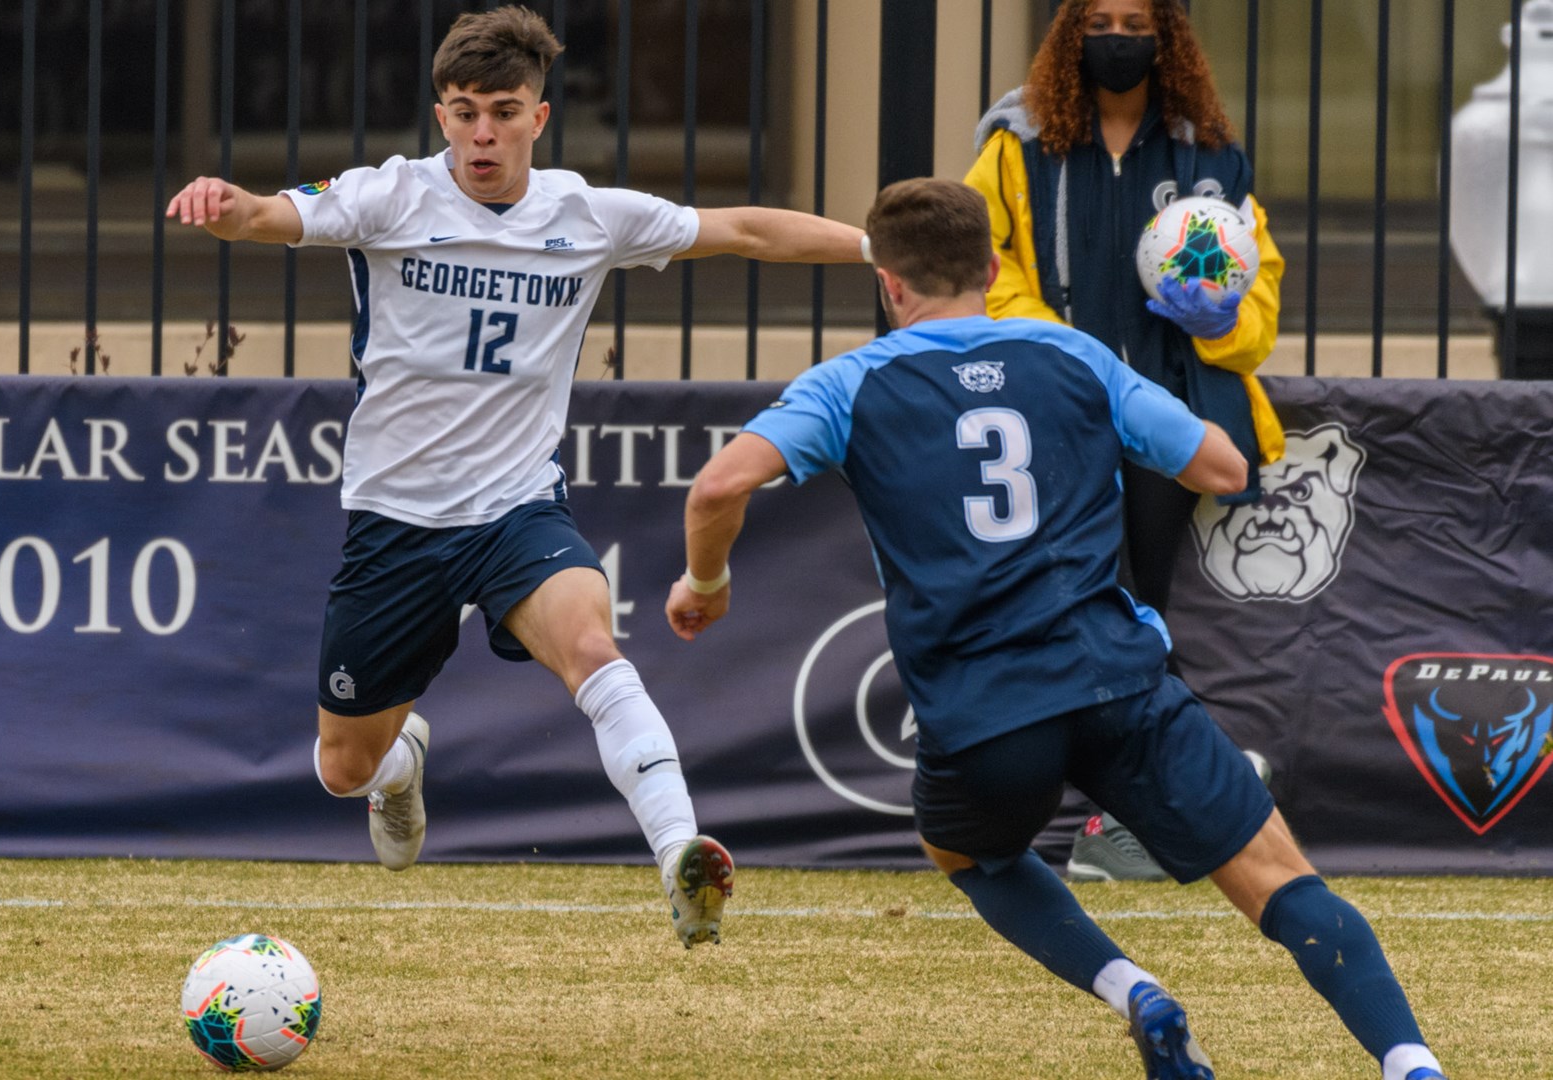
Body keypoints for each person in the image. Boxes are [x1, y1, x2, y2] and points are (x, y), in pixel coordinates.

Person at [666, 178, 1445, 1080]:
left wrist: (705, 582)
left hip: (983, 705)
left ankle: (1135, 993)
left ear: (888, 283)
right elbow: (1224, 468)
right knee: (1280, 878)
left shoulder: (850, 383)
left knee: (967, 852)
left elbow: (717, 488)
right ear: (993, 269)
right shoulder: (1072, 354)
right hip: (1116, 674)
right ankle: (1410, 1064)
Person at [164, 4, 865, 948]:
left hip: (516, 508)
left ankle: (680, 855)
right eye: (460, 111)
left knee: (594, 651)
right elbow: (270, 214)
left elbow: (744, 229)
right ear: (439, 112)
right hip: (395, 522)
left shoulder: (585, 214)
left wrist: (875, 248)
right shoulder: (391, 195)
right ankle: (400, 763)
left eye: (501, 110)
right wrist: (225, 201)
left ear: (540, 115)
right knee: (342, 766)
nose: (480, 133)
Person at [964, 0, 1286, 883]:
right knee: (1087, 601)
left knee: (1136, 602)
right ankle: (1130, 796)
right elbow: (983, 276)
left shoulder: (1207, 154)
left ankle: (1141, 812)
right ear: (1071, 33)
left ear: (1166, 36)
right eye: (1099, 18)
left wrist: (1218, 320)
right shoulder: (1015, 145)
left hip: (1171, 415)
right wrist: (1065, 351)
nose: (1117, 35)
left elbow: (1256, 317)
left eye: (1134, 19)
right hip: (1055, 414)